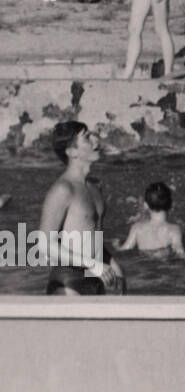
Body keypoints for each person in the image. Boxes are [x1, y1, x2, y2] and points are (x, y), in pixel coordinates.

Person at [39, 122, 125, 295]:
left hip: (96, 275)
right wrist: (94, 265)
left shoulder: (95, 186)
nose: (95, 141)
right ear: (72, 152)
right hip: (68, 281)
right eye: (86, 138)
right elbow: (44, 244)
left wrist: (113, 265)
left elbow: (91, 236)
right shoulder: (63, 189)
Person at [119, 182, 185, 257]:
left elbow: (125, 249)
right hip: (164, 263)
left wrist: (116, 246)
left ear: (145, 205)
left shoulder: (137, 228)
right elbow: (180, 252)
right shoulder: (174, 230)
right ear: (171, 204)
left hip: (143, 263)